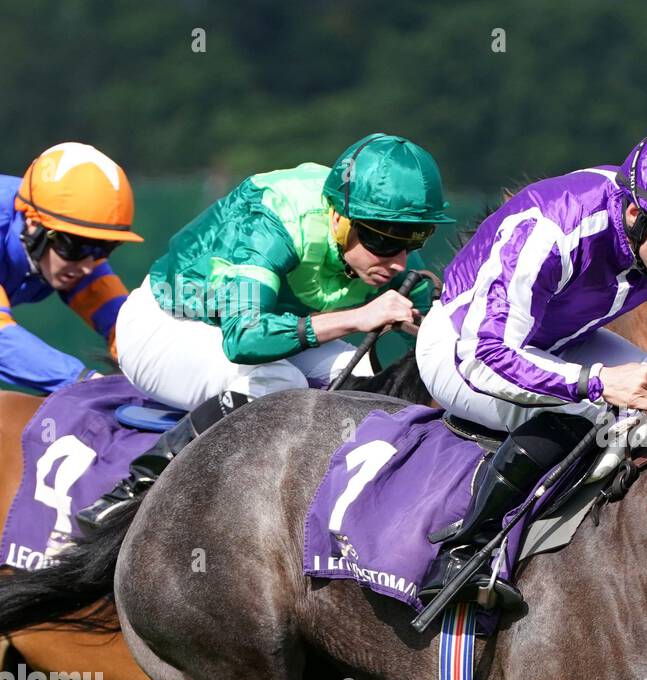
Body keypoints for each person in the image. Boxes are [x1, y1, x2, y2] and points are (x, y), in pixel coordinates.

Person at [413, 123, 647, 605]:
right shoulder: (554, 230)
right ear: (635, 214)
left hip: (561, 340)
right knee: (594, 412)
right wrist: (596, 385)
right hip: (462, 348)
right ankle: (462, 553)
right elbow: (485, 356)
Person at [77, 133, 453, 532]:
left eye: (414, 238)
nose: (396, 261)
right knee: (278, 382)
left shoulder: (386, 245)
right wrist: (358, 317)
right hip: (169, 324)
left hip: (266, 326)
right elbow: (246, 339)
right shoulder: (274, 221)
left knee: (360, 387)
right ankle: (134, 489)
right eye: (381, 238)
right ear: (340, 218)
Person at [0, 142, 142, 393]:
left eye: (103, 248)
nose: (87, 266)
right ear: (33, 224)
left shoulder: (63, 252)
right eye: (77, 246)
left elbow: (126, 329)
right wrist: (87, 383)